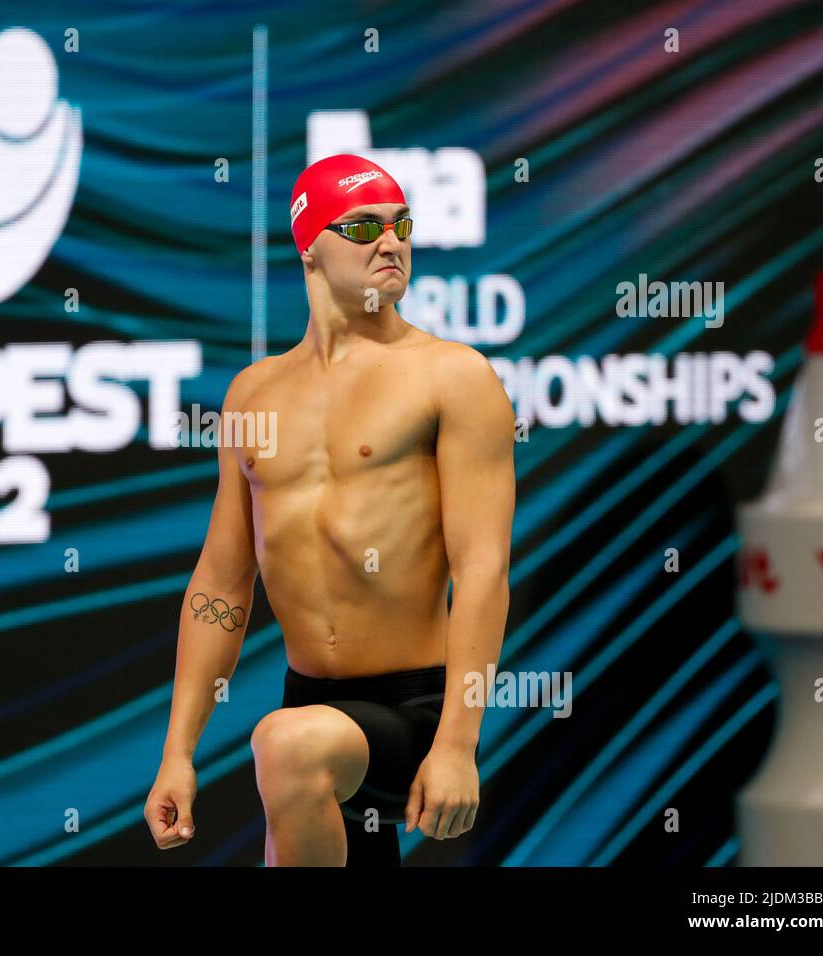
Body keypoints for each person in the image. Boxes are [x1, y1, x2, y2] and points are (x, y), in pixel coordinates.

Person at [145, 154, 515, 866]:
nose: (392, 242)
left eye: (402, 224)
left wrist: (459, 743)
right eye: (364, 225)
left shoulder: (452, 377)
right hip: (310, 701)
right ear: (309, 245)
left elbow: (482, 568)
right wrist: (177, 753)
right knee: (294, 742)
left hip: (414, 710)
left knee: (285, 745)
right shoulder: (253, 395)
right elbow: (222, 584)